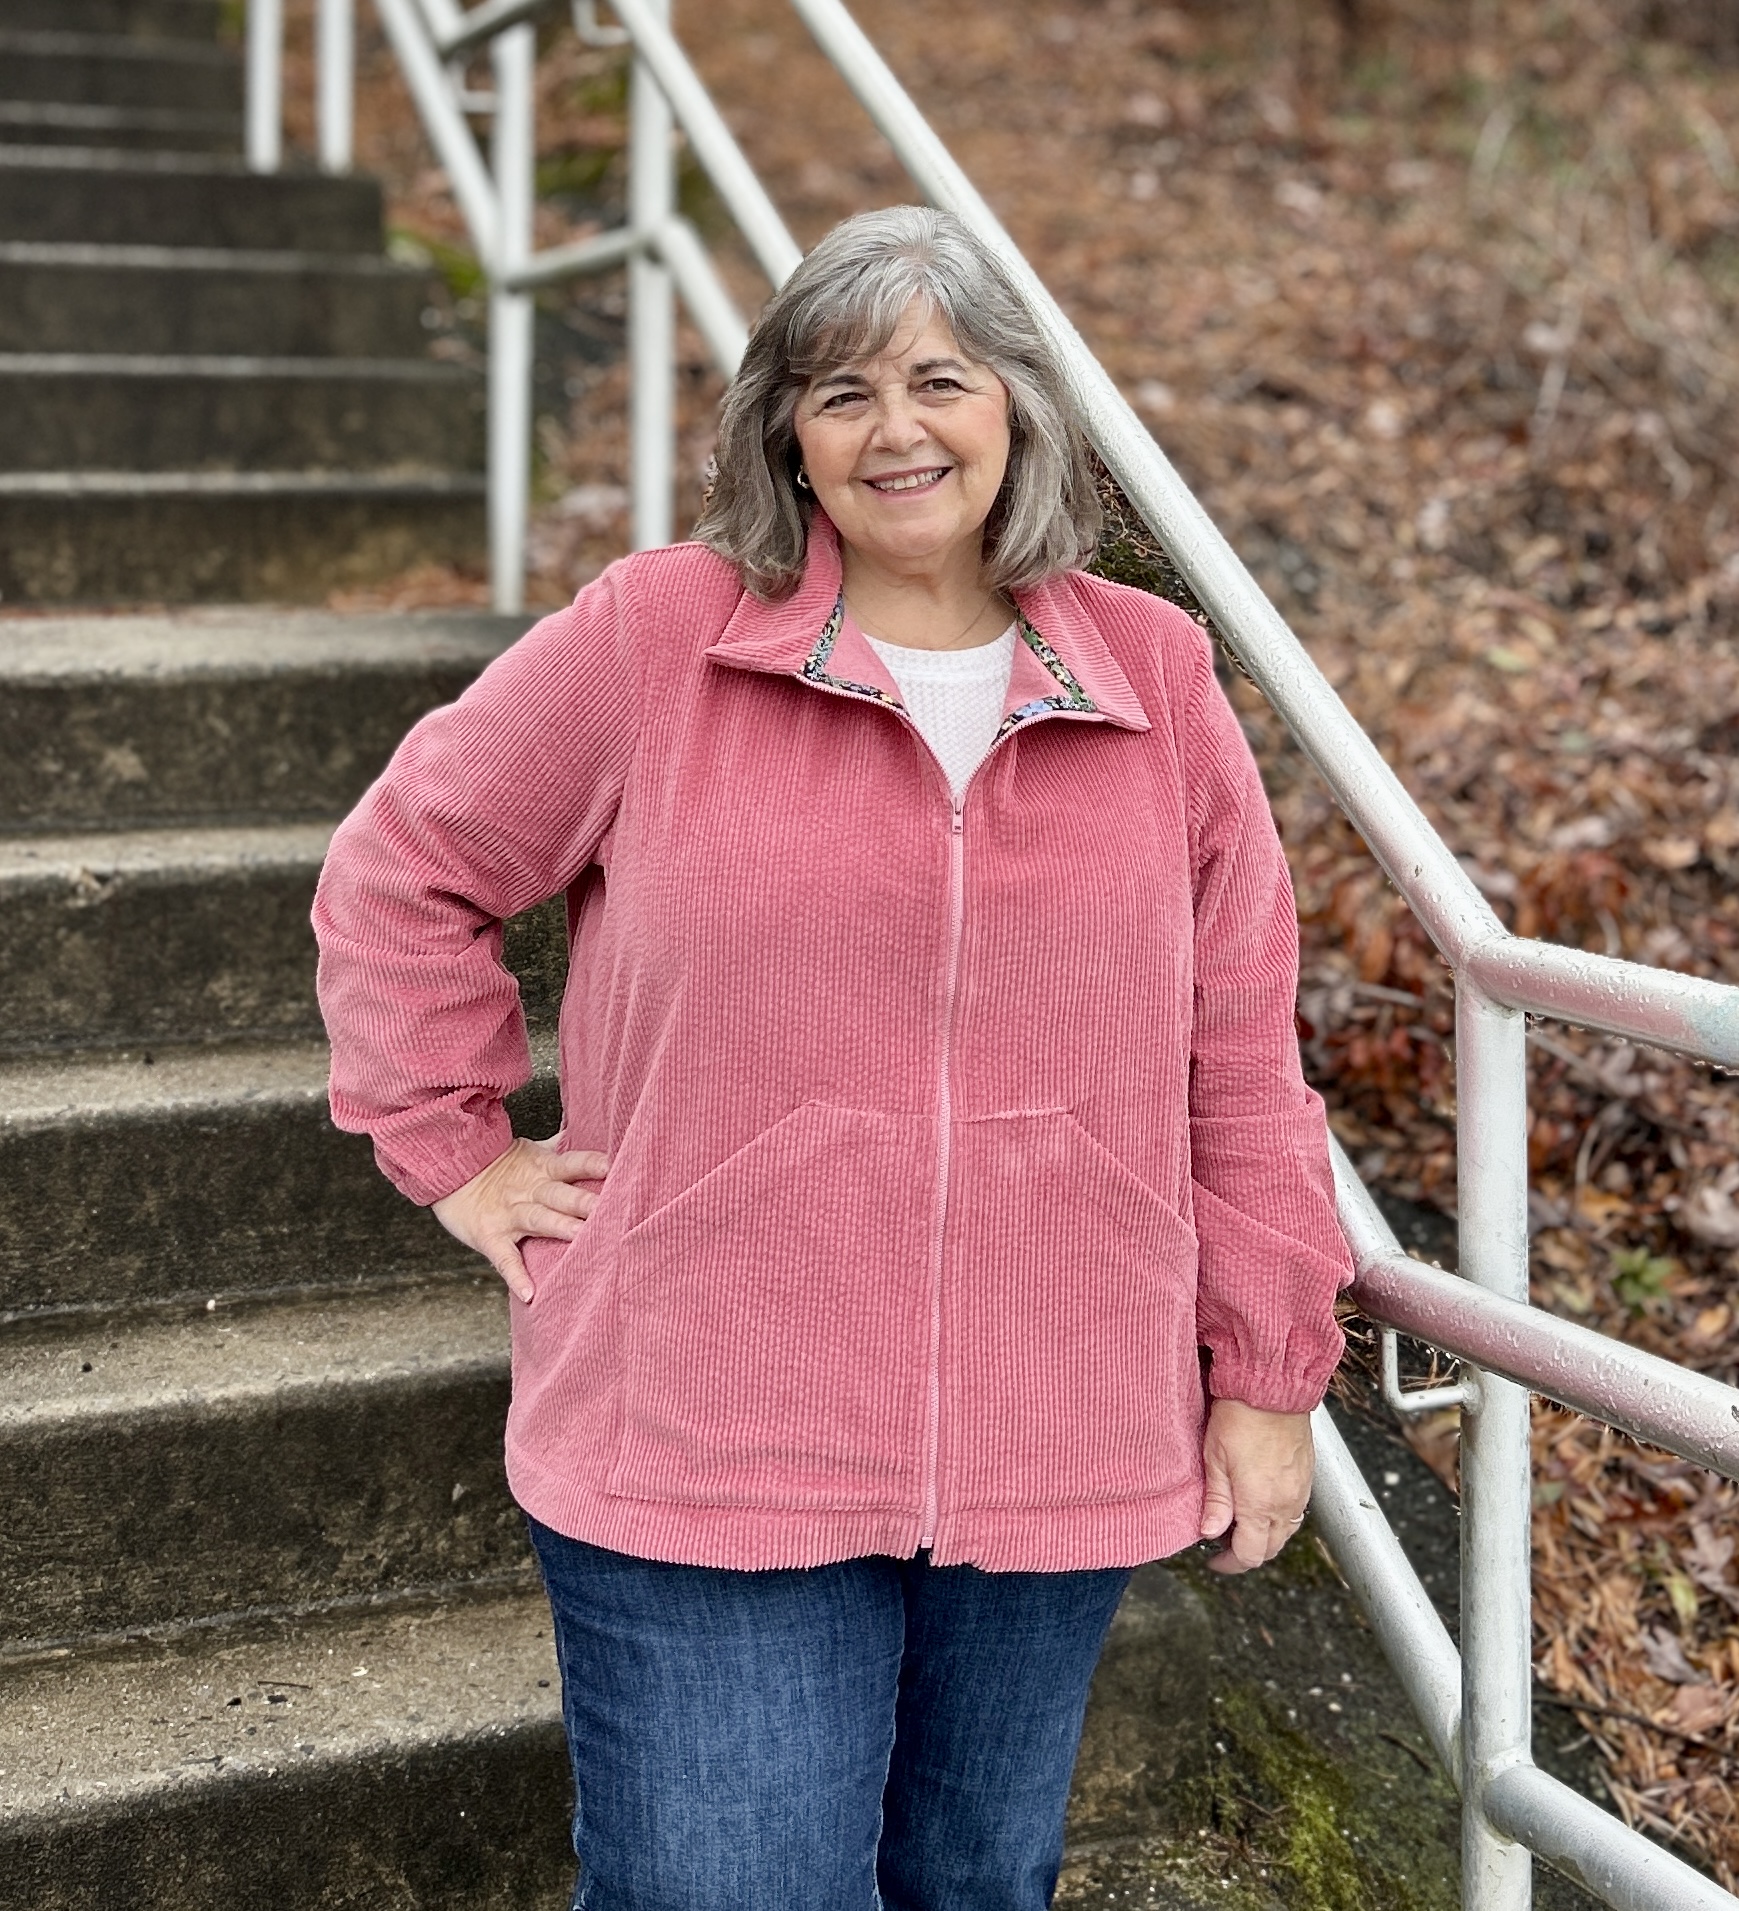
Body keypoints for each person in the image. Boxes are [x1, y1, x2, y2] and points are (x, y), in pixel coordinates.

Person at [313, 204, 1353, 1911]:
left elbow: (1239, 1052)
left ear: (1018, 406)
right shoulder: (664, 635)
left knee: (975, 1886)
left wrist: (1266, 1375)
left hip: (1061, 1424)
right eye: (841, 388)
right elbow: (403, 867)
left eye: (939, 379)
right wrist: (456, 1143)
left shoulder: (1153, 673)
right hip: (708, 1424)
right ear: (783, 430)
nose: (896, 429)